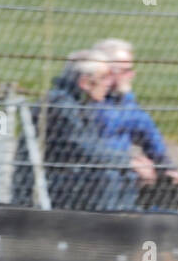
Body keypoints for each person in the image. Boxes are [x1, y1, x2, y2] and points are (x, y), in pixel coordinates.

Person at [94, 38, 178, 209]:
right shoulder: (91, 101)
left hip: (125, 169)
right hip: (101, 170)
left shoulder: (124, 99)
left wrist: (166, 166)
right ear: (106, 71)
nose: (131, 75)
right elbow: (96, 142)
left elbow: (148, 132)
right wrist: (129, 161)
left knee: (170, 184)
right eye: (125, 70)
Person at [40, 50, 136, 211]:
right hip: (52, 179)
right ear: (85, 83)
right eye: (104, 77)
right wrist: (128, 161)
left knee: (127, 174)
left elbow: (93, 147)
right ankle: (103, 226)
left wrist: (128, 162)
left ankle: (123, 221)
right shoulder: (62, 105)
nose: (109, 83)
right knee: (107, 176)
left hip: (70, 175)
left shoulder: (81, 104)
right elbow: (84, 150)